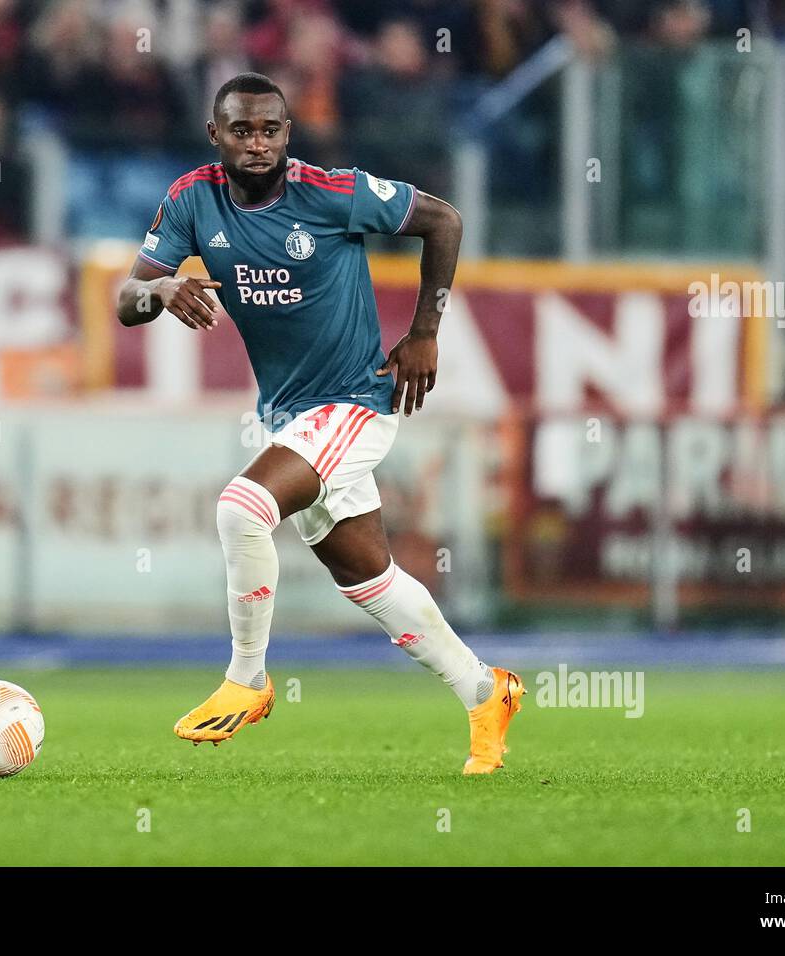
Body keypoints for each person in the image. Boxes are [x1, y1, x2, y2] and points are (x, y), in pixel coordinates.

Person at [116, 73, 522, 774]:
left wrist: (425, 332)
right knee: (368, 577)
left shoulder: (331, 193)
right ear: (216, 136)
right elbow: (126, 299)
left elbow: (444, 221)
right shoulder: (192, 198)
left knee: (242, 508)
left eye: (271, 130)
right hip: (289, 413)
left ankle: (248, 678)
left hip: (354, 403)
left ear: (287, 134)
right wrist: (159, 287)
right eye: (242, 131)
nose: (258, 144)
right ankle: (486, 691)